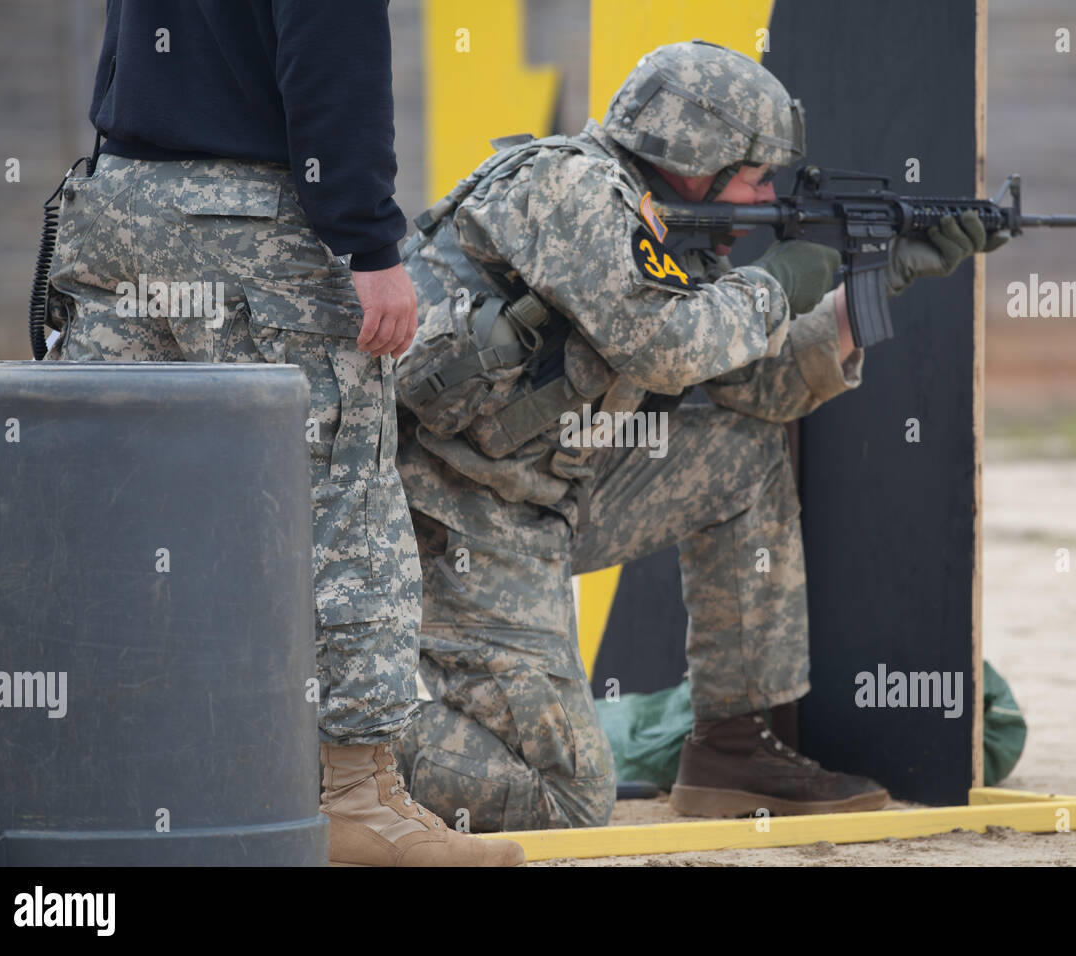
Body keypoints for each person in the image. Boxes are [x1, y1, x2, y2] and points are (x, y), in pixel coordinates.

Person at [389, 40, 1002, 831]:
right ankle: (329, 742)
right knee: (566, 803)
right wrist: (778, 281)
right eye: (755, 173)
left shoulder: (669, 231)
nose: (767, 193)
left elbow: (761, 384)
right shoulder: (572, 188)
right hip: (445, 520)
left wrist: (880, 278)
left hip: (540, 502)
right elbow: (668, 345)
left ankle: (733, 746)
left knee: (743, 453)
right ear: (696, 154)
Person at [45, 0, 522, 866]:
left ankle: (125, 786)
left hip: (115, 207)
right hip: (248, 225)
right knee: (343, 501)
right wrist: (369, 240)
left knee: (119, 513)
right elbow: (330, 56)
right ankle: (353, 798)